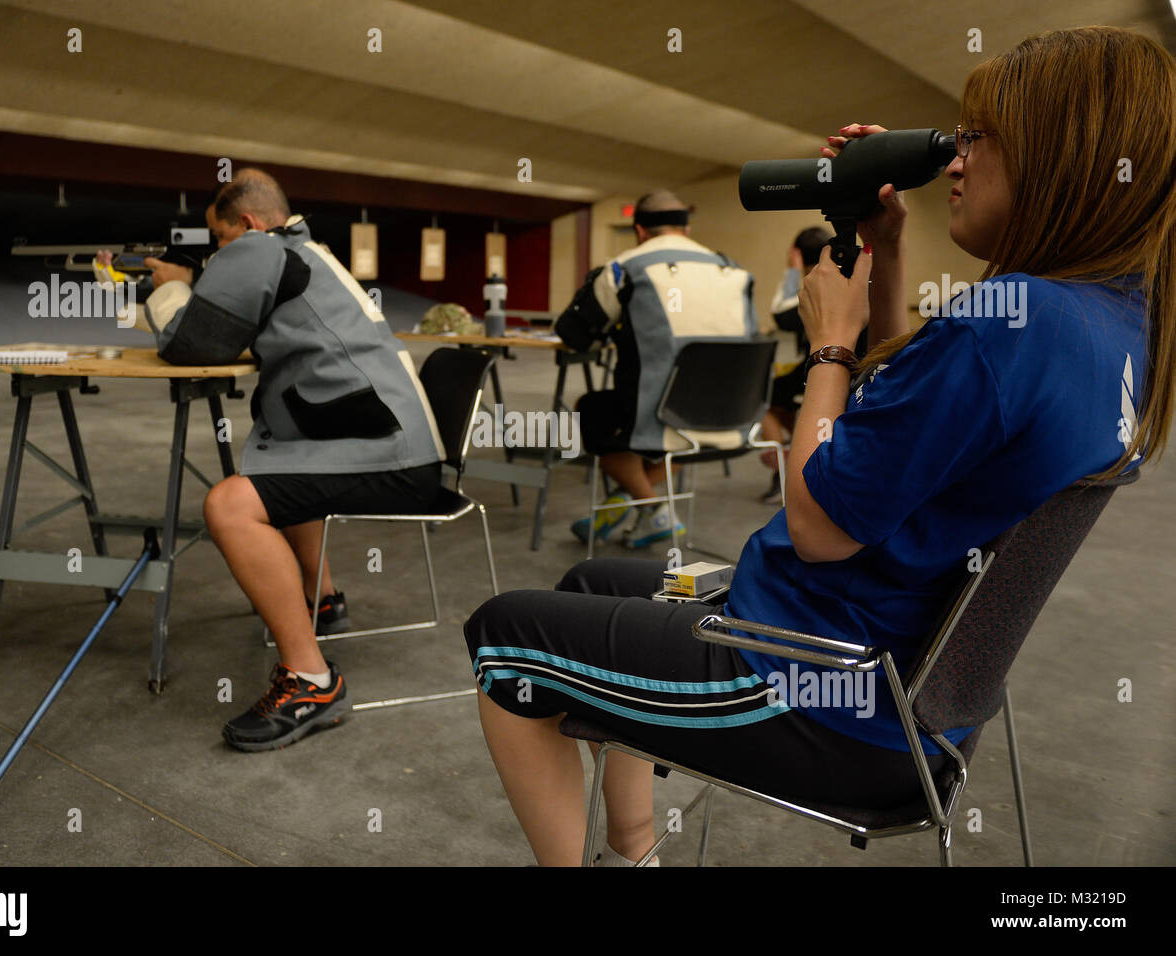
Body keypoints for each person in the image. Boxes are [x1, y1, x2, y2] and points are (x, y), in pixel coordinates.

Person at [463, 26, 1174, 865]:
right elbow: (925, 418)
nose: (954, 162)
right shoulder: (1113, 321)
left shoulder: (1015, 321)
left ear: (1059, 158)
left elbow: (817, 528)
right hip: (906, 694)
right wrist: (889, 250)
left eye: (977, 140)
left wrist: (830, 346)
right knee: (590, 581)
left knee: (505, 633)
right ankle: (633, 854)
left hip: (811, 686)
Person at [139, 168, 446, 751]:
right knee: (276, 461)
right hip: (401, 447)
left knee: (229, 505)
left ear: (249, 225)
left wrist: (172, 285)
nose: (218, 253)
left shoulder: (258, 249)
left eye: (219, 239)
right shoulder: (306, 250)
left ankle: (311, 681)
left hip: (390, 456)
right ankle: (322, 600)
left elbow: (192, 346)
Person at [556, 190, 759, 549]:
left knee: (592, 411)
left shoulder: (626, 268)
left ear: (639, 230)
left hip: (661, 416)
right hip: (733, 414)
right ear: (687, 227)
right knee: (683, 419)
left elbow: (575, 334)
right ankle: (629, 500)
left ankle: (653, 506)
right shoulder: (734, 271)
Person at [756, 226, 832, 504]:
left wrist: (792, 271)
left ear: (798, 255)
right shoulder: (844, 275)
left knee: (761, 397)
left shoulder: (817, 283)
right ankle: (793, 449)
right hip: (842, 368)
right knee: (781, 397)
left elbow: (780, 315)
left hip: (823, 369)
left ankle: (783, 473)